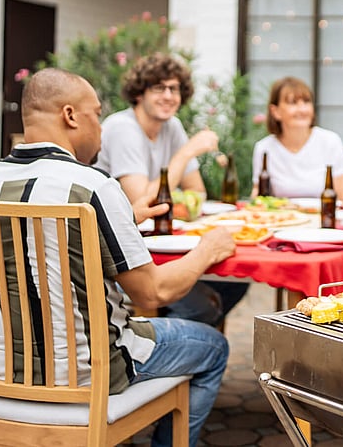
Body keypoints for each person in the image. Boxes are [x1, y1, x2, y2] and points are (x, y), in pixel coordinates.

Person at [0, 68, 235, 447]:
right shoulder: (92, 186)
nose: (102, 128)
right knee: (214, 346)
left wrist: (127, 216)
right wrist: (208, 250)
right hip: (92, 369)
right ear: (71, 116)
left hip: (2, 366)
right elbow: (152, 294)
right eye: (96, 113)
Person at [96, 52, 248, 326]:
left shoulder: (172, 126)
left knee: (235, 281)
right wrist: (187, 152)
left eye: (174, 89)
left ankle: (189, 327)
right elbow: (142, 201)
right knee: (204, 303)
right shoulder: (122, 128)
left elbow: (196, 193)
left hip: (163, 242)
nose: (168, 96)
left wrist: (181, 178)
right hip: (125, 257)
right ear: (140, 93)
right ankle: (176, 332)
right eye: (159, 88)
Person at [250, 76, 343, 199]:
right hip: (283, 217)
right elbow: (259, 194)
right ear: (275, 111)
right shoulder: (264, 148)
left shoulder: (330, 141)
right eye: (293, 102)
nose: (302, 109)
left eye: (307, 102)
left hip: (322, 216)